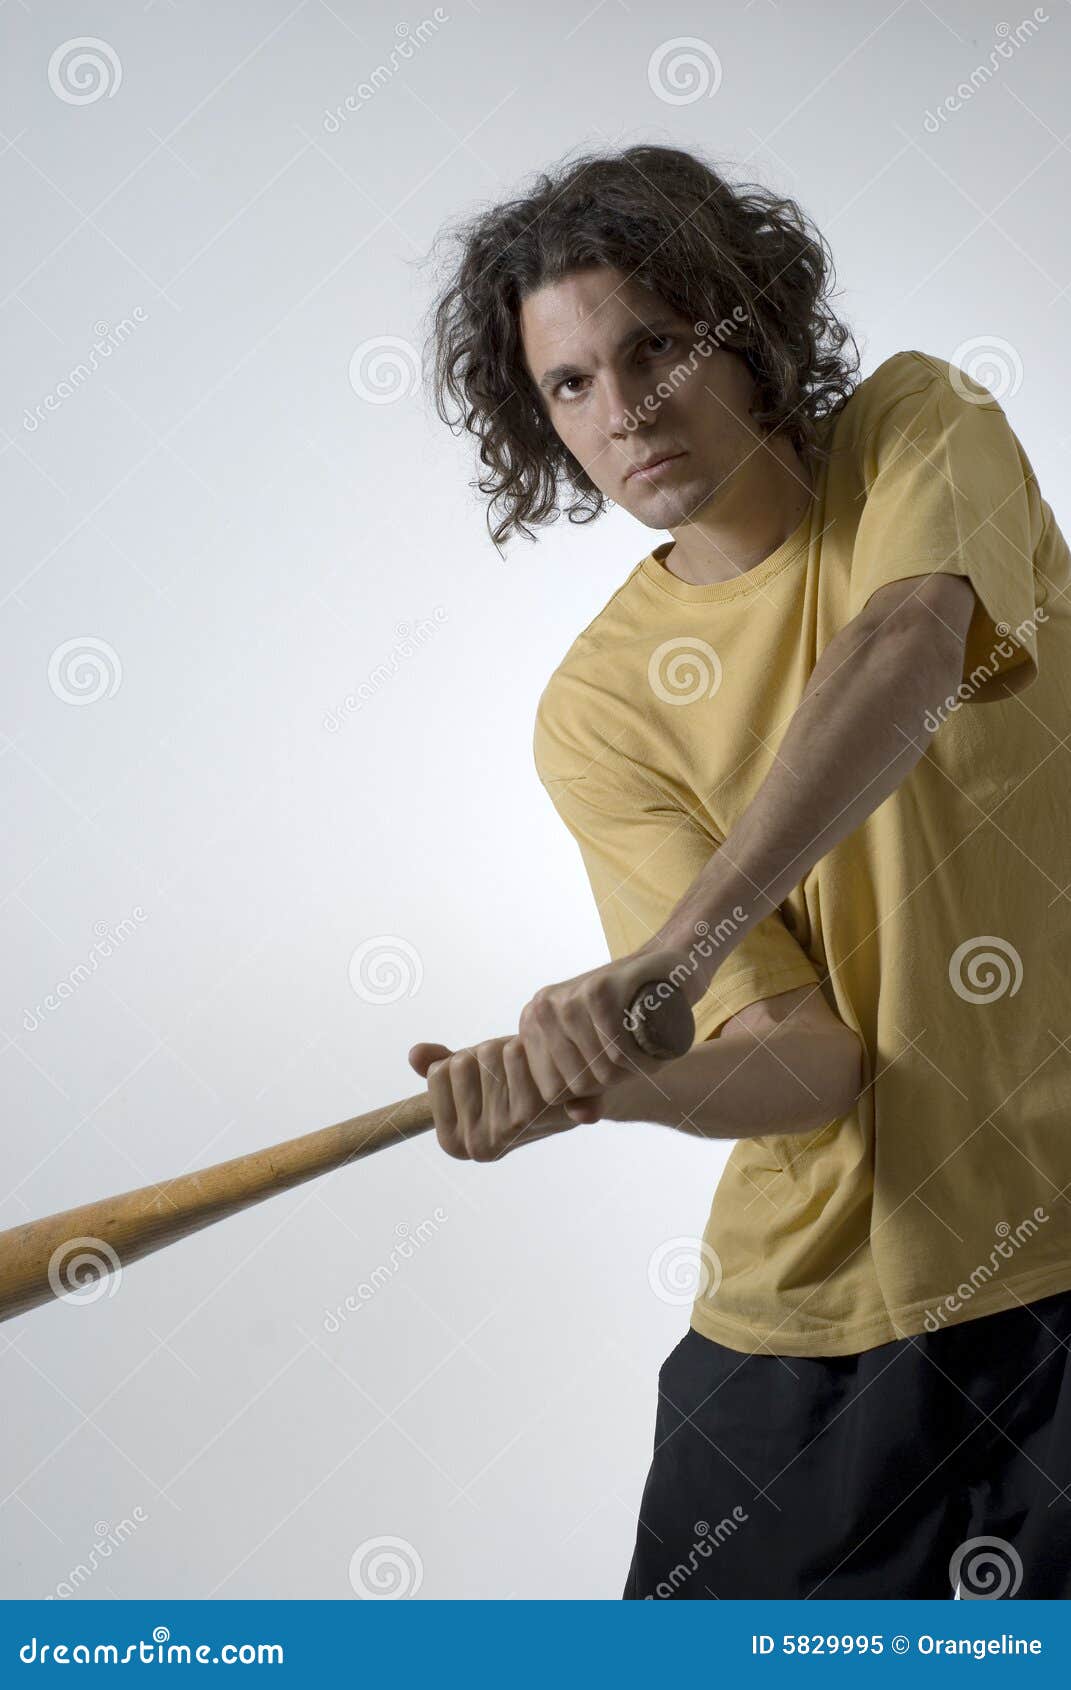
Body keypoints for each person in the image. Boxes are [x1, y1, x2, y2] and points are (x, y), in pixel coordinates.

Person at [410, 143, 1071, 1598]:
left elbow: (907, 647)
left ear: (750, 325)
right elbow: (810, 1062)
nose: (624, 410)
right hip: (815, 1327)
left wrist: (676, 950)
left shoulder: (919, 427)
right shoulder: (599, 711)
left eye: (655, 346)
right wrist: (599, 1084)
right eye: (569, 383)